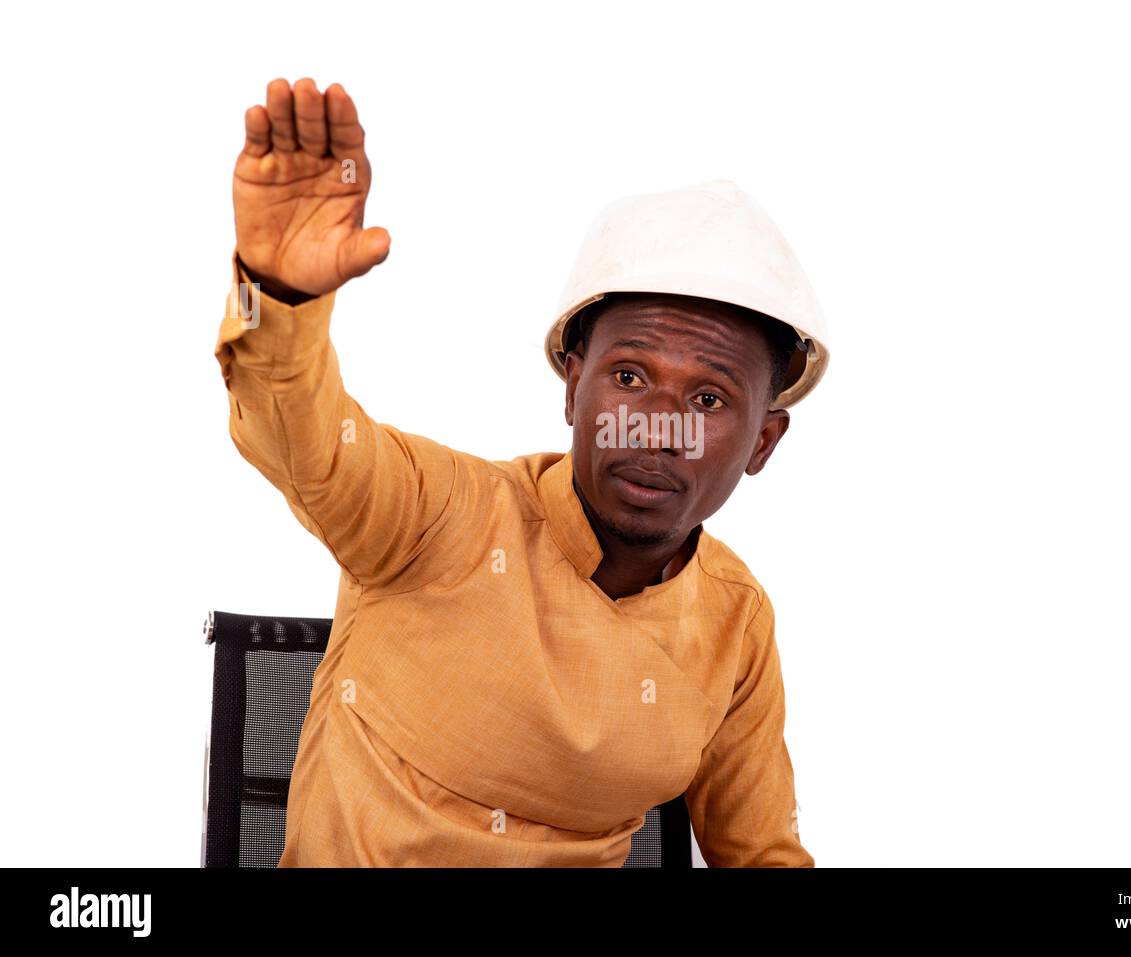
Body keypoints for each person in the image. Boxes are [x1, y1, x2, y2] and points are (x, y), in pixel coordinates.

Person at [215, 76, 830, 867]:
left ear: (763, 441)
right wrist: (279, 297)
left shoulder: (734, 625)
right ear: (574, 385)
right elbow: (300, 438)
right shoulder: (438, 516)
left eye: (709, 397)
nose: (654, 426)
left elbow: (760, 852)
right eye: (631, 377)